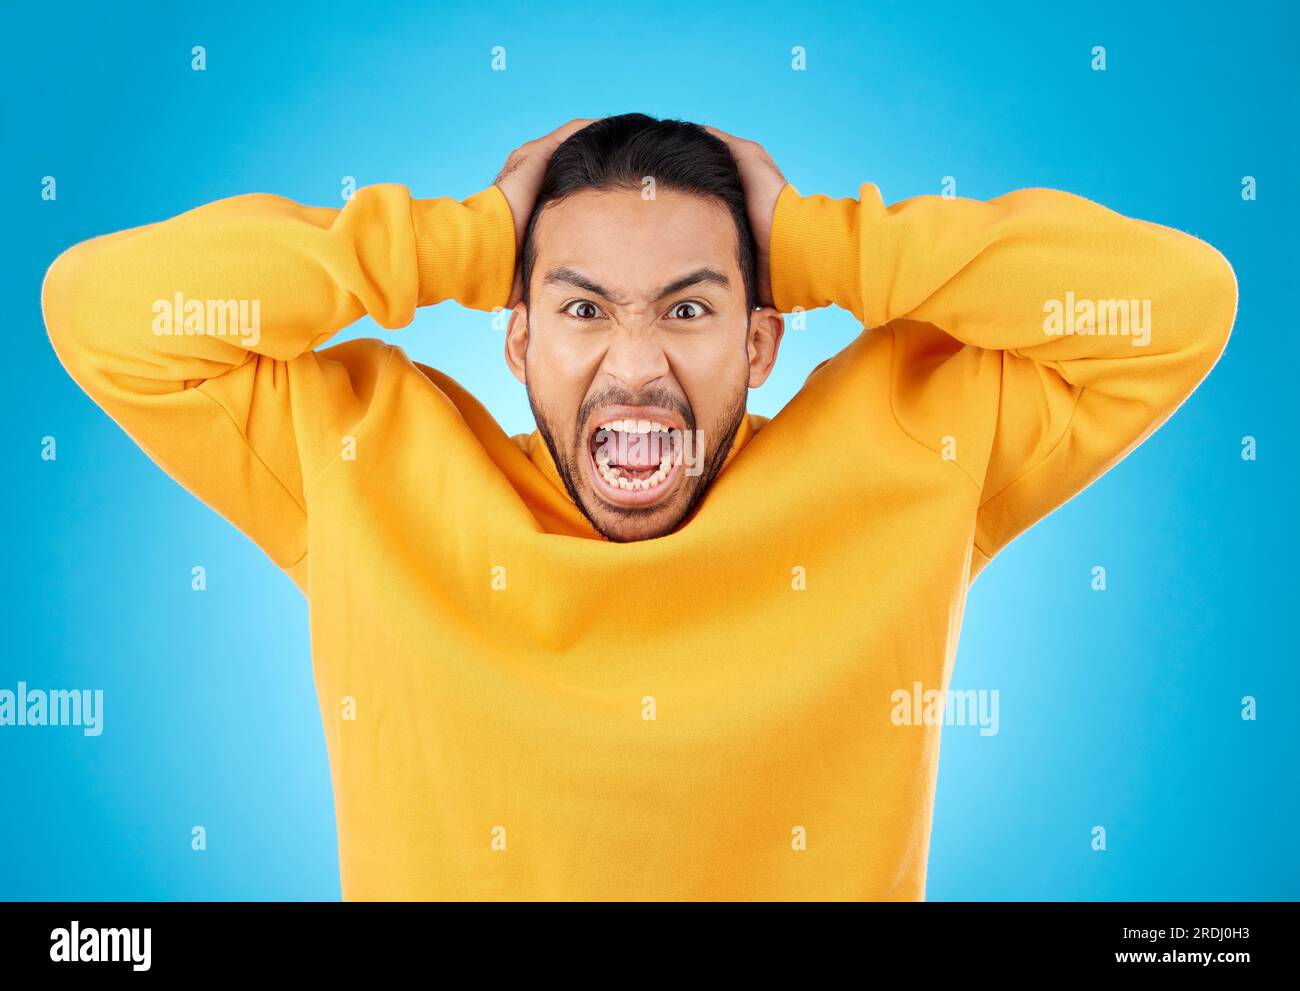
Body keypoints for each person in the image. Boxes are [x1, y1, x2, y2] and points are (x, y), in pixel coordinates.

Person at [41, 113, 1237, 900]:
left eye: (686, 308)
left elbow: (1176, 302)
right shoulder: (361, 461)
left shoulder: (905, 452)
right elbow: (102, 310)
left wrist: (821, 241)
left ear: (762, 339)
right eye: (579, 308)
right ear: (512, 340)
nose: (631, 364)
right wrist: (460, 238)